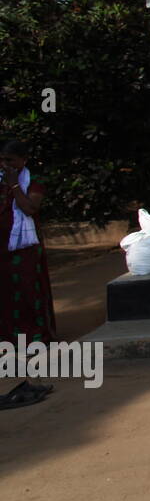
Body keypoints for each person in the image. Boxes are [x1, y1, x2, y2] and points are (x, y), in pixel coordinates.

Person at [0, 139, 56, 409]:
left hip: (25, 248)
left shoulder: (32, 183)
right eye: (3, 160)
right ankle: (10, 340)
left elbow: (30, 208)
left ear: (23, 160)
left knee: (27, 288)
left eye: (11, 160)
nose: (6, 165)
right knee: (6, 293)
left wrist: (13, 186)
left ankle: (37, 337)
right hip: (3, 245)